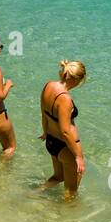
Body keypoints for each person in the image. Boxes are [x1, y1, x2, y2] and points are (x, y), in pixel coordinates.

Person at [39, 61, 87, 200]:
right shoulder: (65, 98)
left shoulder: (48, 85)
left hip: (51, 142)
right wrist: (78, 156)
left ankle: (34, 194)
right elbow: (65, 131)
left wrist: (45, 132)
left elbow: (44, 113)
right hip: (65, 146)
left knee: (58, 176)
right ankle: (67, 218)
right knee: (71, 192)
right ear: (77, 79)